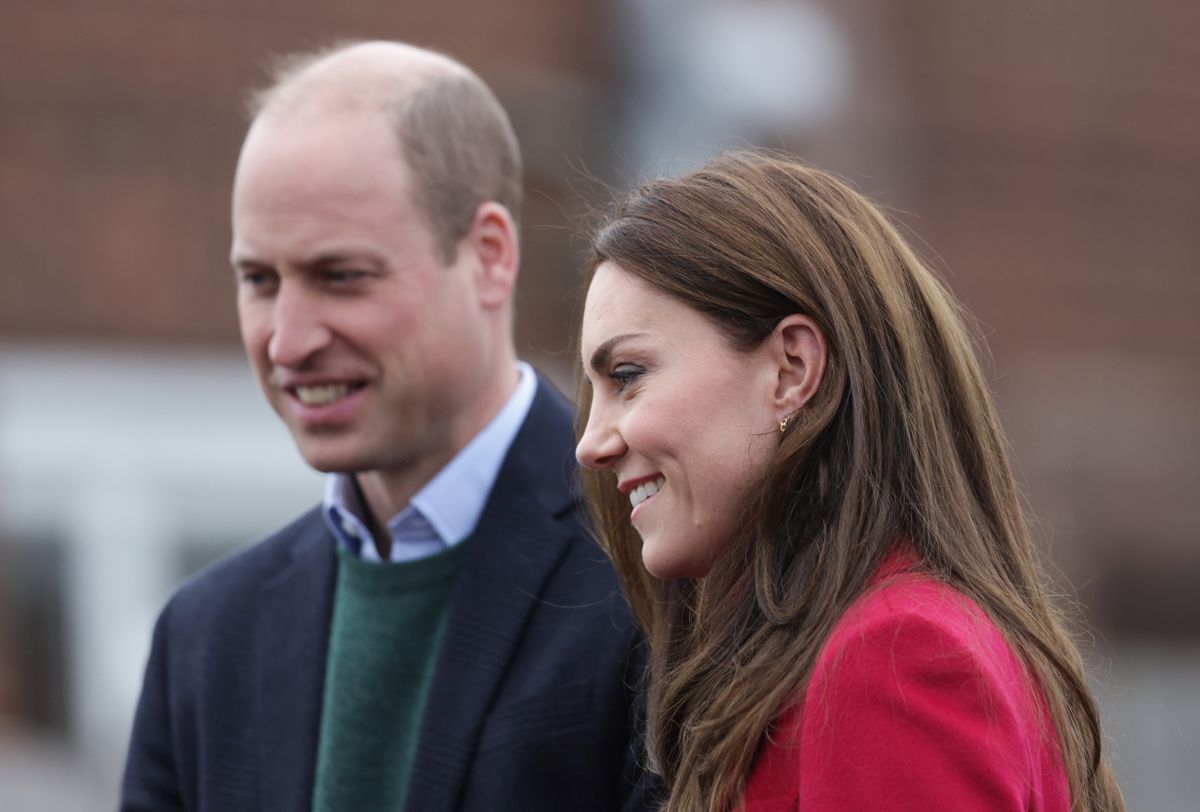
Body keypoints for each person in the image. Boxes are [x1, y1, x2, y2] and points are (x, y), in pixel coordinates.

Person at [121, 41, 656, 812]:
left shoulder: (654, 572)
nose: (288, 339)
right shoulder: (204, 641)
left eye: (341, 276)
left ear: (489, 256)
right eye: (259, 281)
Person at [575, 150, 1125, 811]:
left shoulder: (894, 657)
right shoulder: (853, 654)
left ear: (790, 369)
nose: (591, 445)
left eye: (628, 377)